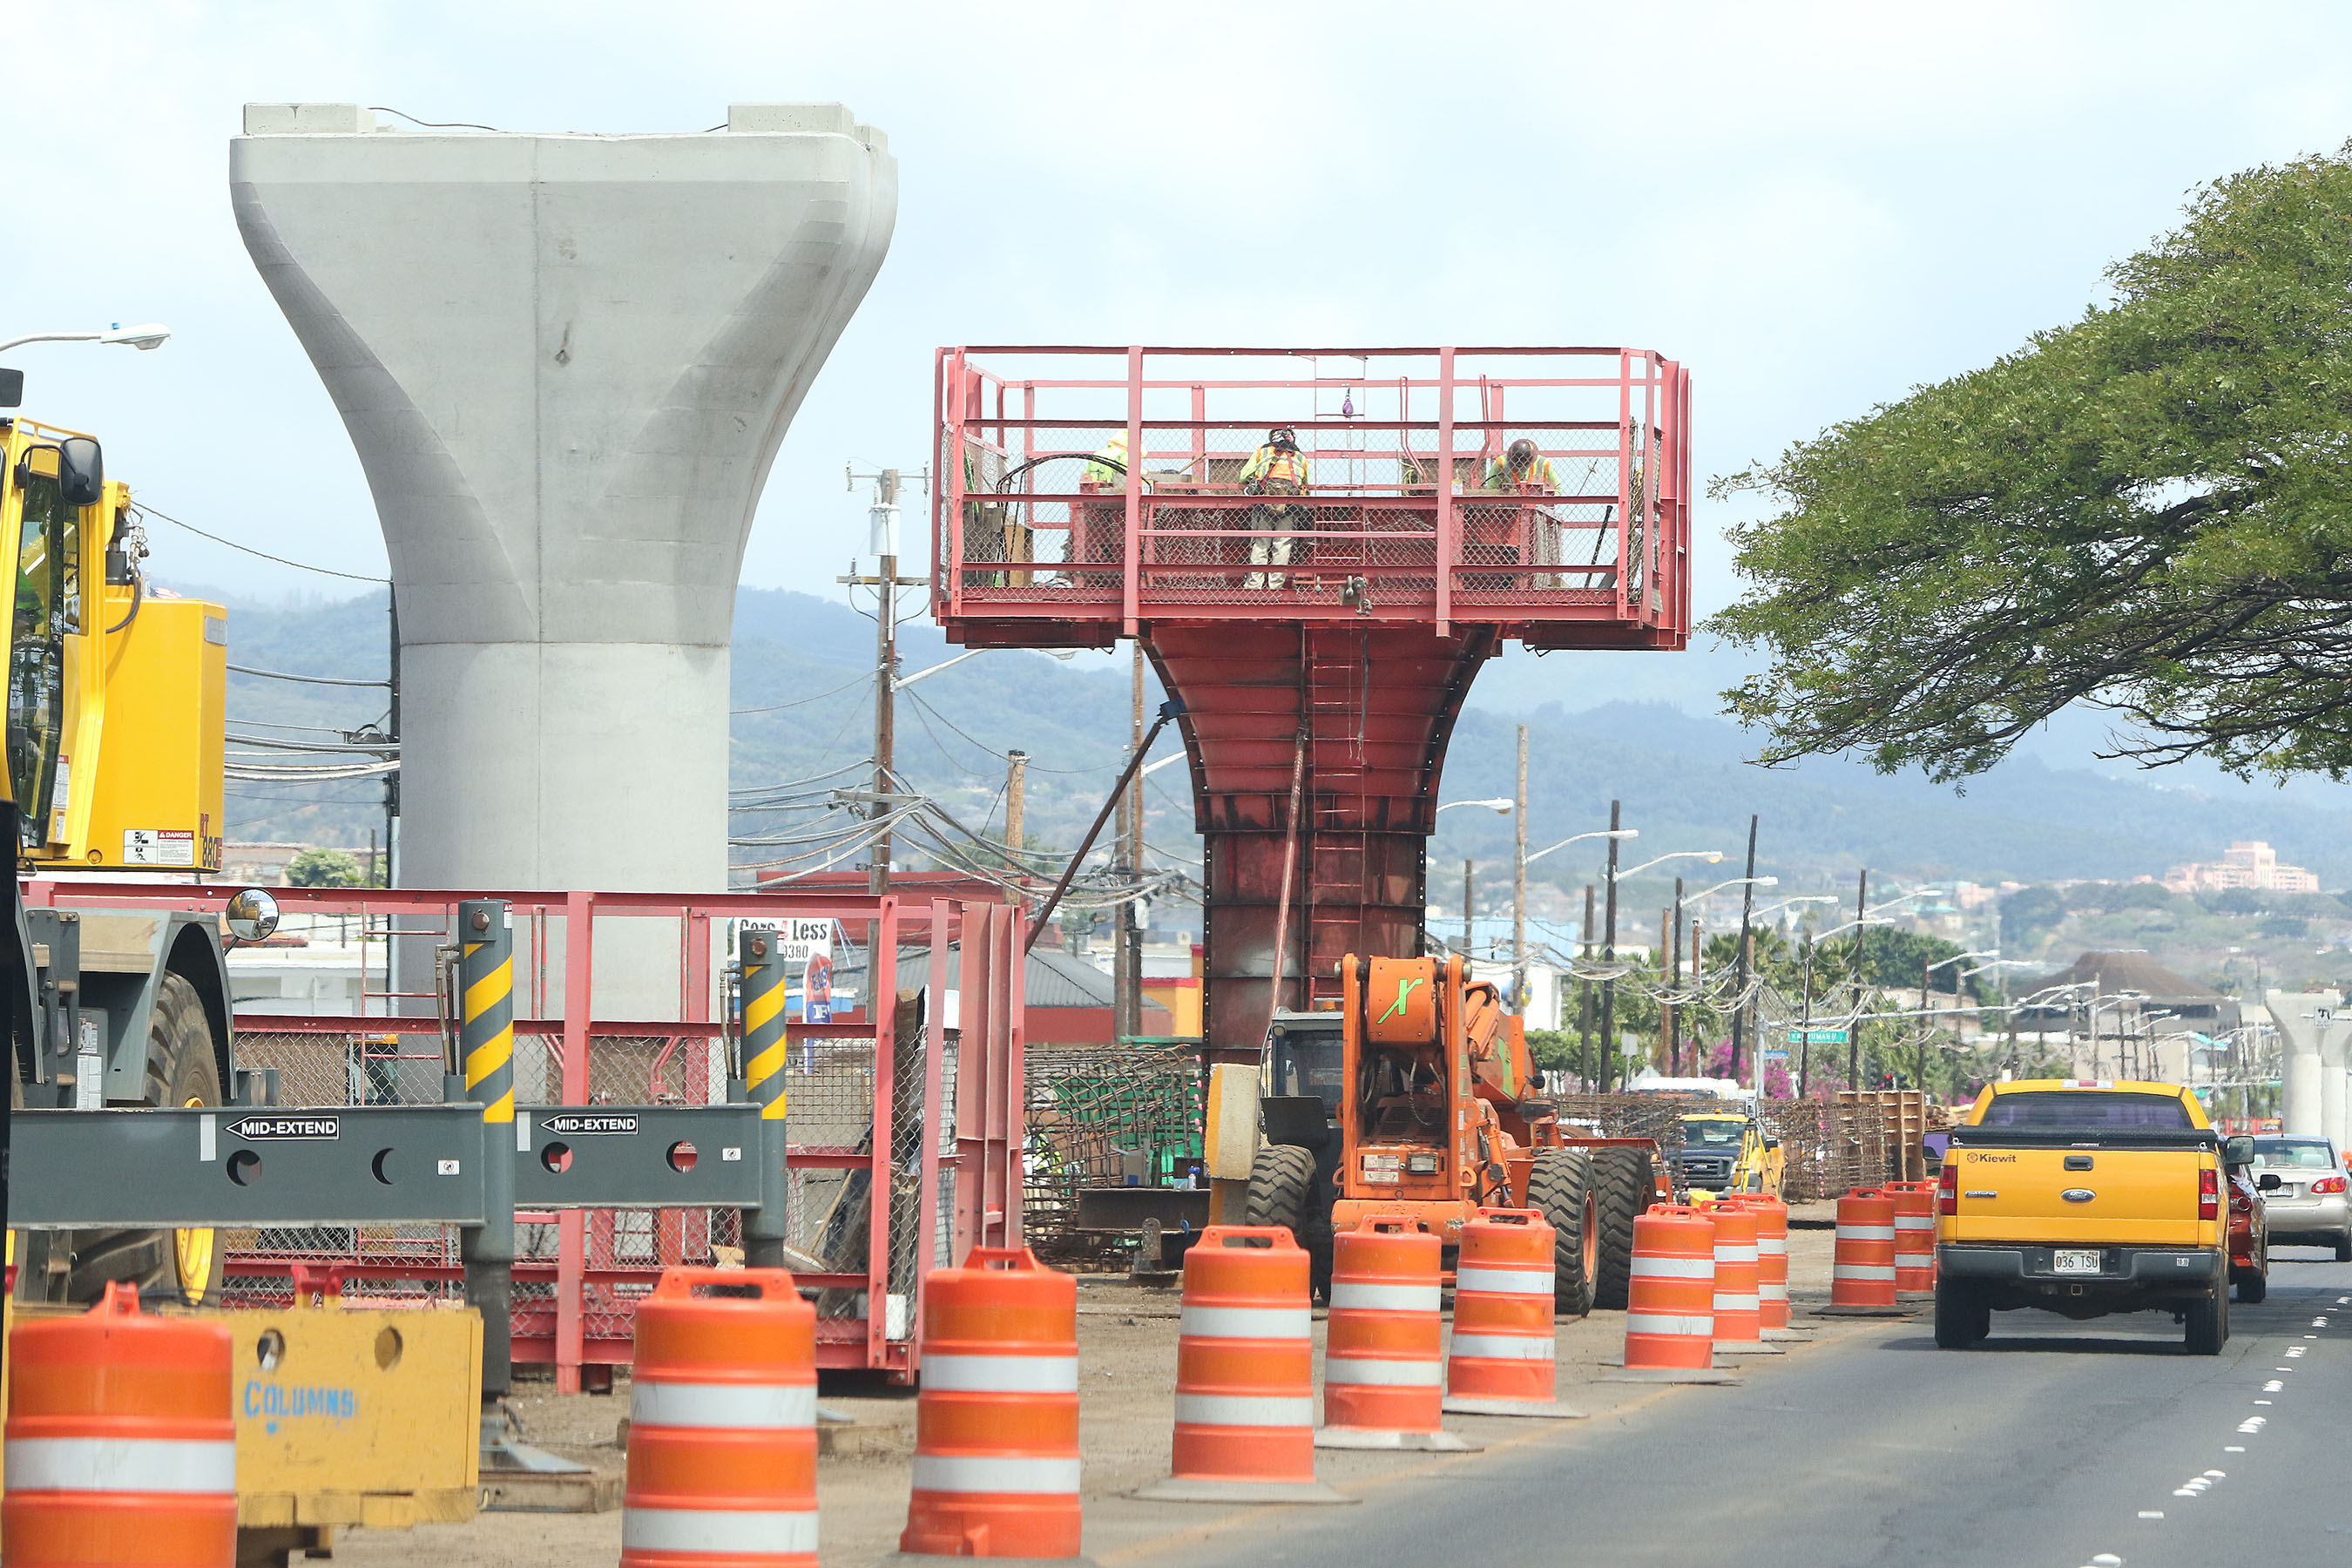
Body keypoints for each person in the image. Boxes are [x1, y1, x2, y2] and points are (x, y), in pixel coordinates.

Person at [1239, 426, 1311, 589]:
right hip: (1290, 505)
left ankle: (1254, 585)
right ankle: (1275, 586)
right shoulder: (1301, 457)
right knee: (1283, 543)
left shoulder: (1263, 451)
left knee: (1261, 543)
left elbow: (1244, 475)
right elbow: (1305, 484)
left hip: (1265, 501)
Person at [1481, 438, 1561, 492]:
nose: (1521, 467)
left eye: (1524, 464)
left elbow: (1557, 489)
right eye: (1518, 464)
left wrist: (1545, 502)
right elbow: (1492, 489)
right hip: (1507, 507)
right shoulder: (1501, 462)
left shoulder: (1543, 464)